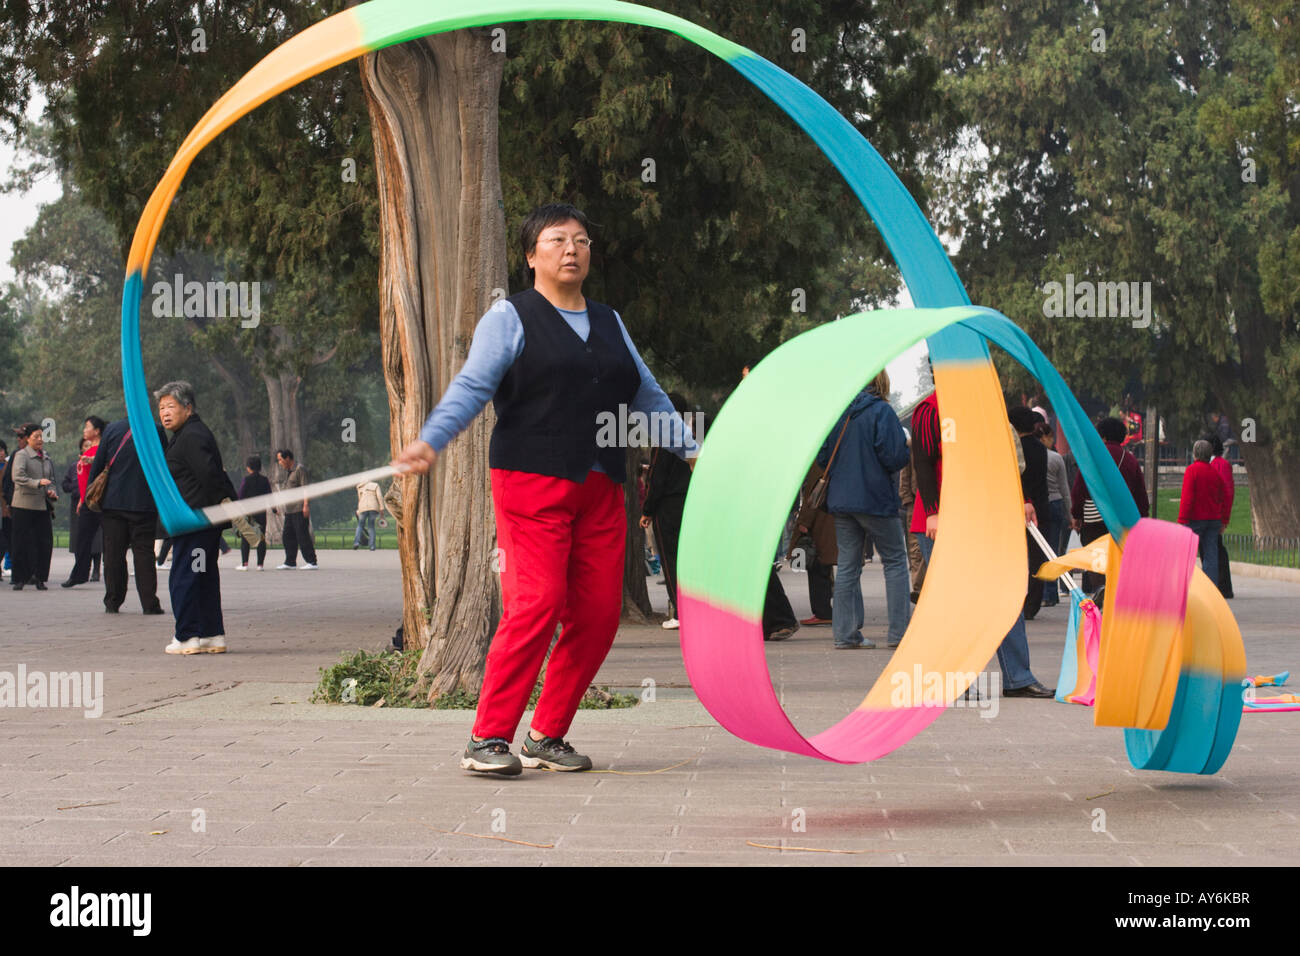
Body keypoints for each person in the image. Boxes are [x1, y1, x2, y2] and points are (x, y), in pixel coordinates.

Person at [393, 203, 697, 775]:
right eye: (557, 240)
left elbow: (648, 395)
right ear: (531, 255)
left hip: (603, 485)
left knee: (600, 613)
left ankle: (546, 734)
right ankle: (487, 737)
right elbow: (473, 385)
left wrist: (691, 449)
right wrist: (432, 439)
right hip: (531, 482)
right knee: (537, 603)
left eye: (581, 240)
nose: (572, 249)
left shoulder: (609, 321)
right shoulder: (510, 317)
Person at [909, 393, 1053, 698]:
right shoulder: (929, 409)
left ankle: (1018, 676)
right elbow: (922, 462)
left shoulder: (983, 404)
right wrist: (933, 511)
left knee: (1006, 595)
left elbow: (1007, 458)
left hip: (984, 516)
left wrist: (1023, 499)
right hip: (943, 521)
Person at [816, 369, 910, 649]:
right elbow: (894, 456)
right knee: (894, 561)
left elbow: (822, 457)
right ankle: (899, 634)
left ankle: (845, 635)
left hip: (842, 501)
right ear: (881, 382)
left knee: (847, 565)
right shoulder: (882, 411)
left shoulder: (837, 414)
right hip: (876, 499)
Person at [156, 381, 237, 653]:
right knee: (201, 574)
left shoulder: (191, 436)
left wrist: (220, 508)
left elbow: (210, 476)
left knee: (185, 577)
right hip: (200, 522)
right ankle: (211, 634)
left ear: (188, 408)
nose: (165, 413)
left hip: (195, 522)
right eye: (161, 408)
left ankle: (188, 635)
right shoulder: (187, 434)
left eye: (171, 406)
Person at [87, 418, 167, 614]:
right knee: (144, 554)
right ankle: (149, 603)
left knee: (113, 554)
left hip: (114, 503)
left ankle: (113, 601)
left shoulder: (113, 429)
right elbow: (165, 464)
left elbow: (98, 464)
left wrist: (91, 492)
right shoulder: (155, 429)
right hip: (144, 502)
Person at [1070, 416, 1149, 594]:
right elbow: (1140, 495)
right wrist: (1142, 519)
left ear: (1102, 436)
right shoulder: (1130, 460)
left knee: (1096, 556)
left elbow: (1079, 489)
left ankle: (1100, 590)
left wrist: (1076, 515)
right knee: (1118, 556)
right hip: (1121, 519)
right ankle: (1117, 592)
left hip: (1093, 517)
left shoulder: (1092, 458)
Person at [639, 392, 693, 629]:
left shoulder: (666, 437)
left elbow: (656, 477)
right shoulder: (695, 435)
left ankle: (681, 612)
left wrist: (647, 510)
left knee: (671, 559)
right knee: (689, 559)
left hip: (668, 506)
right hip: (692, 503)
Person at [1010, 407, 1050, 620]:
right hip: (1040, 507)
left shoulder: (1013, 449)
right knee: (1037, 559)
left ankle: (1015, 601)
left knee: (1016, 558)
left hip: (1018, 507)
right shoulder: (1040, 447)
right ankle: (1032, 605)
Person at [9, 423, 57, 590]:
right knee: (21, 542)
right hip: (23, 505)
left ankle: (40, 577)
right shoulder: (22, 455)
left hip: (42, 505)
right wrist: (37, 483)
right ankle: (20, 578)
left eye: (41, 436)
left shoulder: (46, 457)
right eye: (35, 436)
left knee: (45, 542)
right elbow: (18, 477)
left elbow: (50, 479)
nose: (39, 440)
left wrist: (51, 491)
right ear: (28, 439)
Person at [61, 417, 107, 587]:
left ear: (97, 431)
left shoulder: (103, 448)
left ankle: (110, 573)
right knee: (83, 539)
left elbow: (106, 465)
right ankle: (79, 574)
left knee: (109, 538)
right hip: (87, 500)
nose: (84, 430)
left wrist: (93, 460)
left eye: (87, 427)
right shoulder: (87, 450)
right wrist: (82, 498)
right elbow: (86, 478)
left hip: (101, 500)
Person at [792, 460, 836, 626]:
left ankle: (822, 611)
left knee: (816, 566)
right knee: (824, 566)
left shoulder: (817, 463)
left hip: (818, 522)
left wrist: (804, 522)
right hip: (827, 520)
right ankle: (825, 609)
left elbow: (812, 495)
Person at [1179, 439, 1226, 590]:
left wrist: (1182, 519)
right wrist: (1222, 518)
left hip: (1195, 518)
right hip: (1213, 518)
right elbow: (1222, 494)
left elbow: (1187, 497)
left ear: (1194, 453)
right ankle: (1210, 588)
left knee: (1188, 554)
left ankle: (1187, 585)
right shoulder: (1214, 472)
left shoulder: (1192, 470)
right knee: (1211, 553)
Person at [1039, 422, 1071, 606]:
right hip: (1056, 503)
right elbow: (1064, 488)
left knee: (1037, 552)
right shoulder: (1055, 458)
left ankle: (1041, 592)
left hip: (1036, 505)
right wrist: (1070, 513)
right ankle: (1051, 593)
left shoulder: (1029, 456)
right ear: (1046, 437)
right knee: (1052, 550)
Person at [274, 449, 317, 570]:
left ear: (287, 458)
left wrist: (306, 505)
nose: (280, 462)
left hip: (299, 509)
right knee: (287, 536)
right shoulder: (289, 472)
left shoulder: (299, 469)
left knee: (302, 535)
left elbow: (305, 488)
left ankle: (312, 561)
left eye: (280, 460)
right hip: (289, 510)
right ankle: (290, 561)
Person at [1208, 433, 1234, 599]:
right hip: (1208, 514)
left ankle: (1224, 586)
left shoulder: (1221, 465)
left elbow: (1227, 493)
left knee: (1217, 550)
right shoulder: (1206, 465)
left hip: (1215, 515)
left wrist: (1224, 519)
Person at [236, 456, 271, 570]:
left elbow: (241, 496)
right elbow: (269, 495)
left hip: (248, 513)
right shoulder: (265, 480)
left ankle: (244, 564)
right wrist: (274, 509)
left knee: (246, 538)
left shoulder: (246, 480)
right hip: (261, 512)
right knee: (261, 538)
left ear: (248, 467)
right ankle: (260, 565)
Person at [352, 476, 387, 552]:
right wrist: (381, 508)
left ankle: (356, 542)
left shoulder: (360, 486)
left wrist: (358, 510)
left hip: (363, 508)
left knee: (360, 525)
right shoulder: (375, 485)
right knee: (371, 526)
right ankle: (372, 546)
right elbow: (380, 497)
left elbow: (360, 499)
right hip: (373, 508)